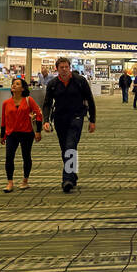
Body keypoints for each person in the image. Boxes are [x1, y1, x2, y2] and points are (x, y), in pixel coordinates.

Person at [42, 56, 96, 193]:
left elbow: (90, 100)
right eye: (62, 67)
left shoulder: (80, 81)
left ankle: (67, 180)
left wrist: (92, 120)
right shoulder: (53, 84)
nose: (65, 70)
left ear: (70, 67)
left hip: (76, 117)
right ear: (57, 69)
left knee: (70, 145)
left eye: (67, 67)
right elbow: (47, 103)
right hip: (60, 119)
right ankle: (72, 173)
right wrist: (46, 120)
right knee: (65, 149)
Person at [0, 76, 43, 193]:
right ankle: (10, 182)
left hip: (26, 133)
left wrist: (38, 131)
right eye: (13, 84)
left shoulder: (29, 100)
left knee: (26, 156)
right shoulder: (6, 103)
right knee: (9, 157)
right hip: (11, 133)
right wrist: (2, 135)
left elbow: (38, 114)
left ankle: (25, 180)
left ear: (23, 88)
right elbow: (4, 120)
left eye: (17, 84)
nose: (14, 85)